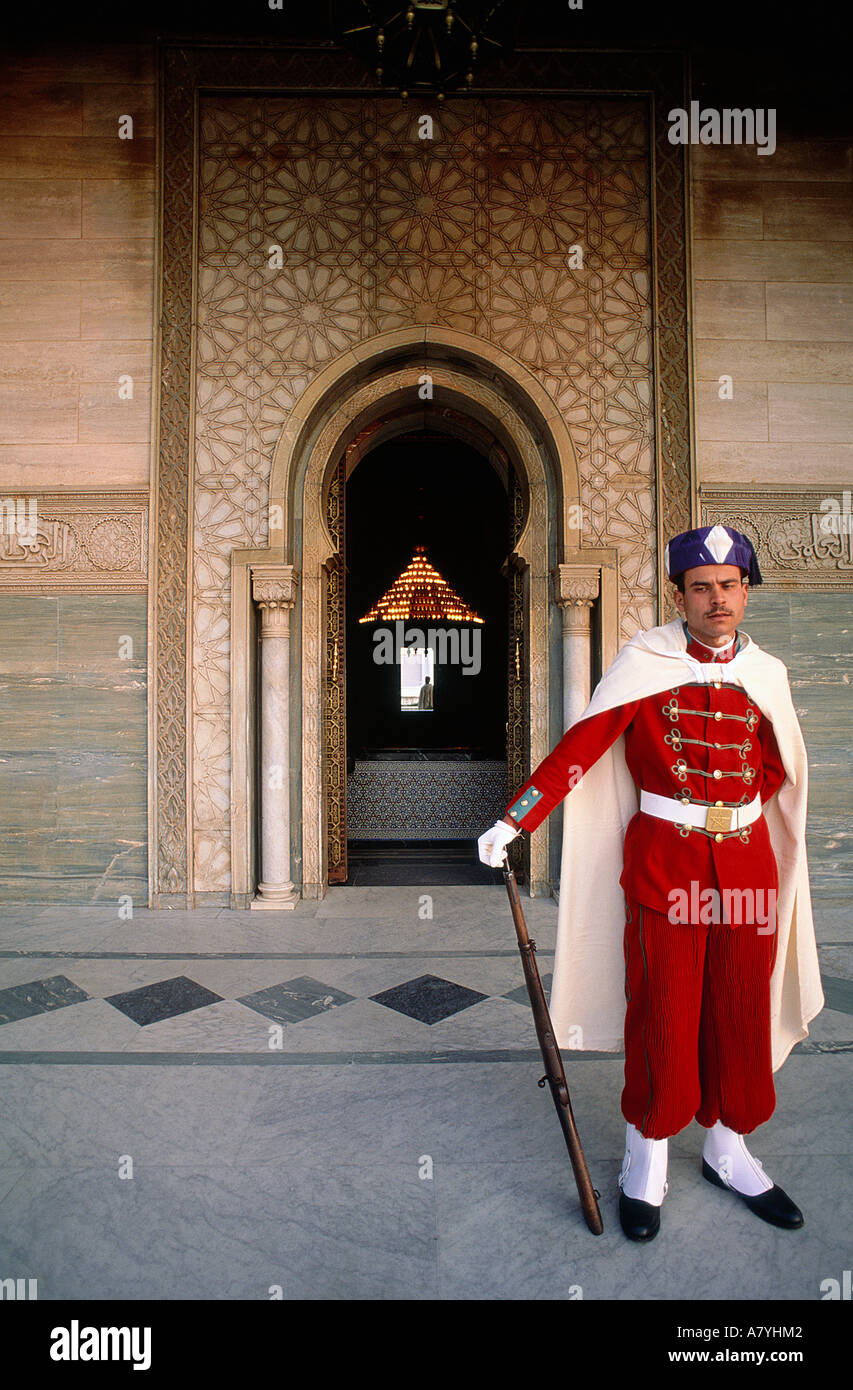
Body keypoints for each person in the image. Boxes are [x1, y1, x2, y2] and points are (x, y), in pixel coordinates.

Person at [478, 525, 823, 1241]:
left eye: (728, 586)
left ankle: (728, 1150)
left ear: (744, 592)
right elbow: (581, 748)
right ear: (678, 595)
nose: (716, 600)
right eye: (701, 588)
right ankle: (648, 1156)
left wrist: (736, 810)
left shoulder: (768, 672)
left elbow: (776, 764)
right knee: (662, 1010)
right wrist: (516, 820)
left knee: (738, 1008)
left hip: (747, 863)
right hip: (665, 863)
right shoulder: (643, 661)